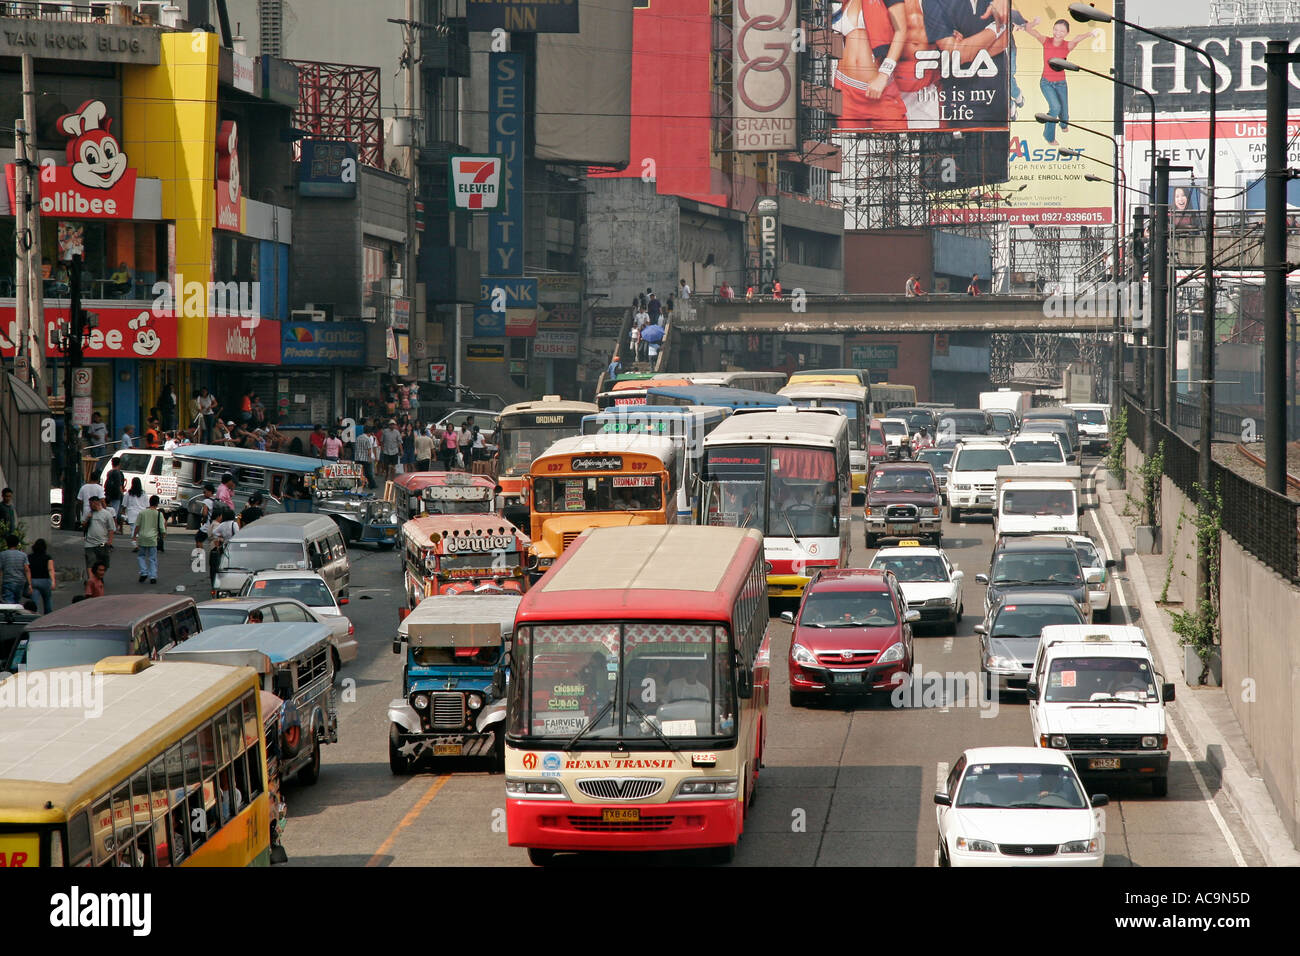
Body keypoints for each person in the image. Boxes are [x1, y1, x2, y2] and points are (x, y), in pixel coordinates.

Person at [1020, 17, 1100, 145]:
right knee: (1055, 108)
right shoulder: (1046, 41)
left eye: (1062, 31)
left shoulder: (1067, 46)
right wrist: (1034, 23)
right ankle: (1049, 136)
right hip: (1046, 83)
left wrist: (1090, 34)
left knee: (1064, 111)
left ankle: (1063, 125)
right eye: (1056, 29)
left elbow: (1077, 38)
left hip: (1061, 83)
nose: (1058, 33)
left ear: (1067, 33)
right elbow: (1030, 30)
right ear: (1053, 30)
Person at [831, 0, 908, 131]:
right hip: (846, 90)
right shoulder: (845, 2)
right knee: (848, 147)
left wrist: (884, 74)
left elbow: (901, 31)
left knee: (896, 147)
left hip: (880, 91)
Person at [133, 495, 164, 585]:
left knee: (141, 556)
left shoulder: (142, 513)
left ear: (149, 502)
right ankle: (153, 576)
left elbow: (137, 525)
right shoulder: (159, 514)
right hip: (153, 539)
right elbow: (162, 528)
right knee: (152, 558)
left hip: (142, 537)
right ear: (157, 503)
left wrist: (134, 536)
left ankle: (144, 572)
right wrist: (163, 535)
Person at [83, 497, 115, 572]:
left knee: (103, 563)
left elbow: (111, 529)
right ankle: (91, 579)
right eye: (89, 504)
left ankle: (99, 578)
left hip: (102, 543)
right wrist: (88, 519)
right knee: (90, 561)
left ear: (97, 503)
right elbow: (84, 526)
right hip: (89, 543)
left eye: (91, 504)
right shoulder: (89, 513)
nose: (90, 506)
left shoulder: (106, 514)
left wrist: (110, 542)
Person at [0, 534, 30, 605]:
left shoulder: (2, 555)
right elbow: (27, 570)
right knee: (17, 602)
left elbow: (0, 570)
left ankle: (10, 615)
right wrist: (29, 584)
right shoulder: (23, 555)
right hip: (20, 582)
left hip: (8, 581)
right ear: (17, 544)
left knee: (8, 603)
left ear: (7, 543)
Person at [27, 538, 55, 614]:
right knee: (47, 600)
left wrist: (29, 583)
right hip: (45, 581)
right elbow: (50, 569)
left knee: (34, 601)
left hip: (34, 581)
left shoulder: (29, 557)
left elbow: (27, 570)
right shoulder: (48, 557)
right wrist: (53, 581)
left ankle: (32, 616)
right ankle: (48, 617)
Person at [122, 477, 148, 546]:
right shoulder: (143, 493)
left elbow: (124, 505)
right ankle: (139, 543)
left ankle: (134, 543)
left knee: (133, 528)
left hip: (131, 513)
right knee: (141, 529)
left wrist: (123, 513)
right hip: (142, 513)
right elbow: (147, 505)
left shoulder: (129, 493)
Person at [103, 457, 126, 530]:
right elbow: (119, 485)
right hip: (116, 496)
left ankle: (108, 526)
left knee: (109, 511)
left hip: (109, 495)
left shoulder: (109, 472)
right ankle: (113, 527)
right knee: (115, 512)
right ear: (119, 464)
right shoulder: (118, 473)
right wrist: (122, 494)